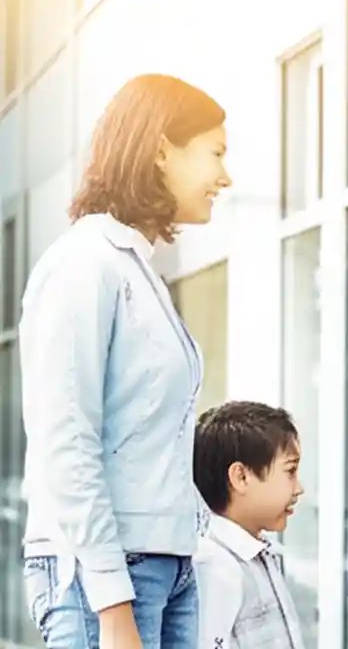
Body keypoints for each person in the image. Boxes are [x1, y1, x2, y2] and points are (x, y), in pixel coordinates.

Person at [20, 74, 232, 648]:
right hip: (108, 576)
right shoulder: (86, 264)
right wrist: (111, 601)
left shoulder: (139, 269)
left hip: (166, 565)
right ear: (162, 149)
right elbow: (66, 438)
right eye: (215, 153)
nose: (225, 176)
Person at [192, 401, 307, 649]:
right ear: (241, 477)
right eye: (290, 471)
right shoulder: (213, 566)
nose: (299, 489)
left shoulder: (264, 554)